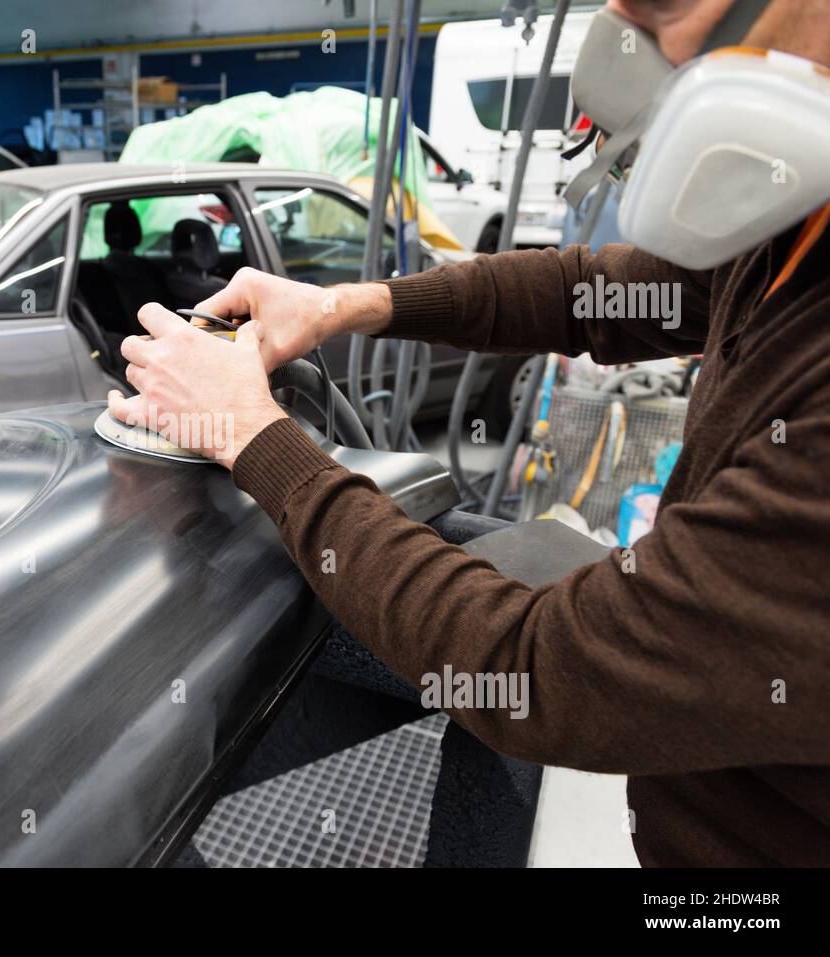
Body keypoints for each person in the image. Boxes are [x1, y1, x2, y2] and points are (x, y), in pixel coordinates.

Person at [107, 0, 830, 866]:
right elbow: (599, 289)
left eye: (665, 5)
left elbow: (538, 670)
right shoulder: (798, 229)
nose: (621, 34)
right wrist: (343, 304)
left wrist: (254, 435)